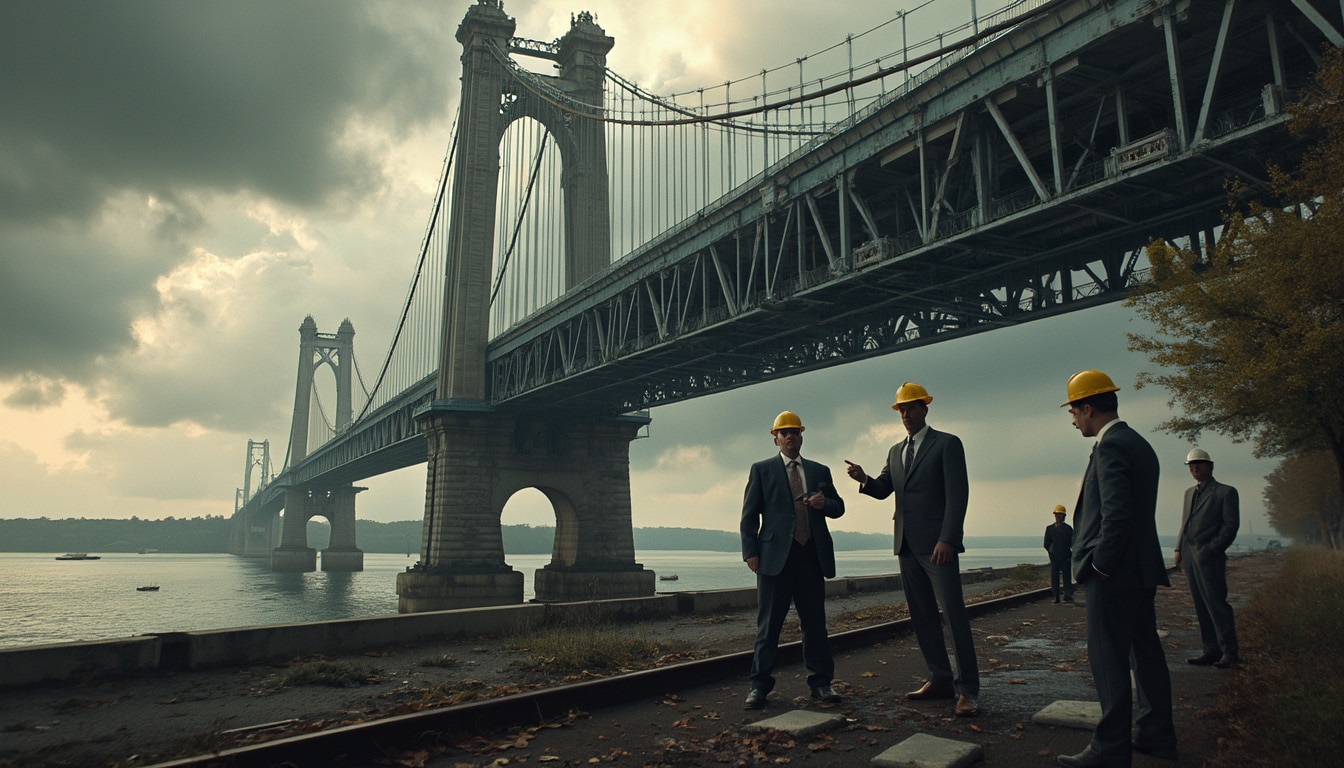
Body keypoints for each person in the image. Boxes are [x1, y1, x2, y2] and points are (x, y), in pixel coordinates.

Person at [1058, 370, 1177, 768]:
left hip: (1115, 573)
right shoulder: (1137, 442)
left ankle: (1110, 749)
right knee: (1145, 654)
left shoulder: (1110, 446)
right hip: (1140, 569)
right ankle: (1156, 735)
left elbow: (1117, 513)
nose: (1073, 419)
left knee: (1108, 658)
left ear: (1088, 408)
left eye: (1074, 411)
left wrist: (1100, 565)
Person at [845, 382, 980, 718]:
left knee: (954, 617)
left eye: (911, 408)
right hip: (906, 545)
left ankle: (968, 691)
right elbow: (882, 489)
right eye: (901, 410)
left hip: (938, 547)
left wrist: (948, 539)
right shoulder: (895, 451)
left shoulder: (947, 444)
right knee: (922, 618)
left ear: (925, 409)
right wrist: (863, 478)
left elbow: (957, 495)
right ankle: (940, 679)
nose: (905, 414)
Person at [740, 410, 845, 710]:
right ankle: (759, 686)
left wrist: (826, 504)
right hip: (775, 559)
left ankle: (821, 684)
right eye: (784, 433)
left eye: (795, 432)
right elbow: (748, 517)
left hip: (811, 556)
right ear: (775, 439)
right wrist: (751, 552)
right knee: (769, 626)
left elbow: (839, 508)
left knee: (815, 625)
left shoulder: (819, 470)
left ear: (801, 436)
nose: (790, 437)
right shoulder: (761, 470)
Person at [1175, 448, 1240, 669]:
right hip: (1190, 556)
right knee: (1200, 604)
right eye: (1191, 465)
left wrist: (1212, 548)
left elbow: (1230, 526)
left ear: (1210, 466)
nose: (1194, 468)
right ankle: (1210, 650)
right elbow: (1185, 523)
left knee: (1216, 603)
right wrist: (1178, 550)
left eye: (1199, 464)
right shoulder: (1188, 493)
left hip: (1209, 556)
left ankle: (1229, 651)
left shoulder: (1225, 492)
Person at [1044, 504, 1075, 603]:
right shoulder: (1049, 529)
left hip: (1066, 557)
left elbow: (1072, 542)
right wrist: (1051, 553)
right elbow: (1046, 543)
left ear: (1064, 516)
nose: (1059, 516)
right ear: (1055, 515)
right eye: (1058, 514)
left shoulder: (1068, 529)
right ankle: (1056, 597)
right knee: (1055, 578)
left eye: (1061, 515)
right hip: (1055, 557)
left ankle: (1067, 595)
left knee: (1066, 577)